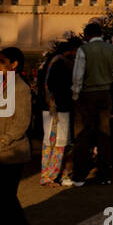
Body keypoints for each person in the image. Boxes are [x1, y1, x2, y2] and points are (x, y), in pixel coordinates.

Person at [0, 47, 33, 225]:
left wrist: (6, 139)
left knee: (3, 196)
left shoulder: (20, 88)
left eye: (1, 61)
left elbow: (22, 120)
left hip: (10, 151)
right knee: (0, 195)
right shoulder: (4, 84)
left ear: (14, 65)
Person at [71, 20, 113, 185]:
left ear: (87, 35)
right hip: (105, 93)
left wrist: (75, 95)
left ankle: (79, 176)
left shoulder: (83, 50)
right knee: (104, 134)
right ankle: (105, 175)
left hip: (87, 94)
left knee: (82, 134)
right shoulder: (112, 49)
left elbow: (78, 76)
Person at [41, 39, 77, 186]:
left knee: (51, 143)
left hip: (50, 108)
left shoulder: (51, 62)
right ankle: (50, 175)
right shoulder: (61, 64)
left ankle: (51, 174)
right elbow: (60, 86)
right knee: (59, 143)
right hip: (59, 109)